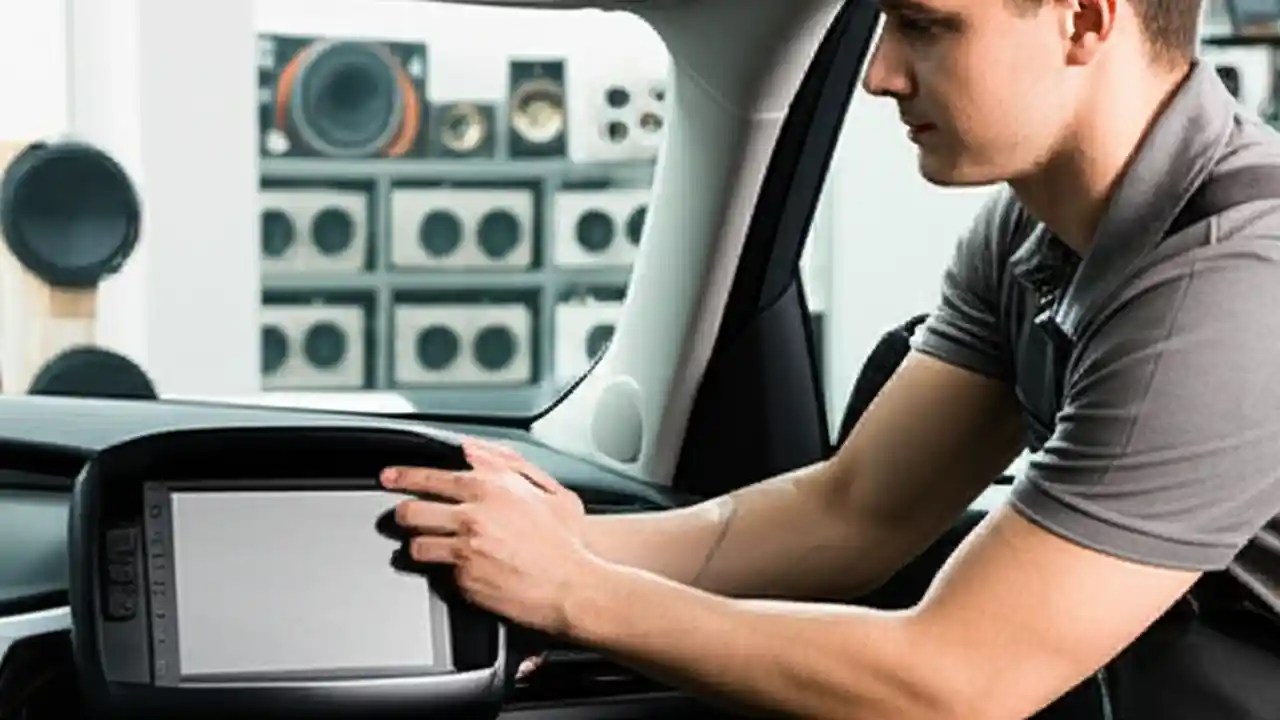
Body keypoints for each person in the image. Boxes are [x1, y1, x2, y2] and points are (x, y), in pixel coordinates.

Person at [377, 0, 1280, 717]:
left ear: (1084, 18)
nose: (880, 74)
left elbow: (956, 684)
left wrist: (578, 595)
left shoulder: (1235, 284)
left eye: (924, 25)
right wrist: (558, 542)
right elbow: (851, 513)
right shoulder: (1026, 235)